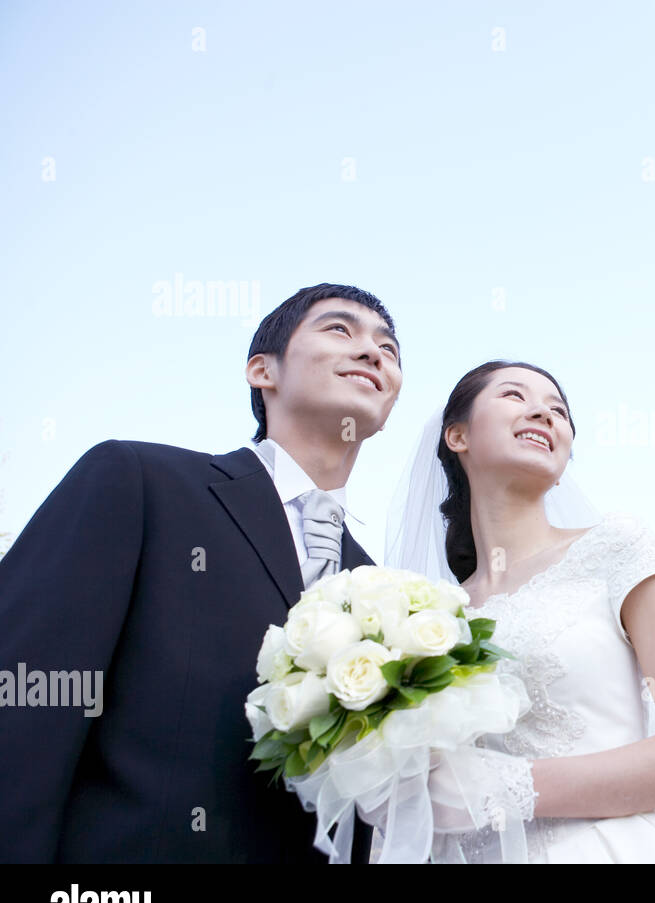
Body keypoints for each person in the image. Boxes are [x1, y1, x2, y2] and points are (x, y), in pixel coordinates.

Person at [0, 282, 401, 862]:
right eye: (340, 330)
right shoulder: (140, 481)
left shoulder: (379, 589)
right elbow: (24, 701)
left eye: (388, 349)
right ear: (262, 370)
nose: (372, 353)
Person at [384, 360, 655, 862]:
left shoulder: (614, 548)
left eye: (559, 410)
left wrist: (507, 788)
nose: (543, 413)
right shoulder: (431, 621)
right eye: (514, 395)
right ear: (457, 435)